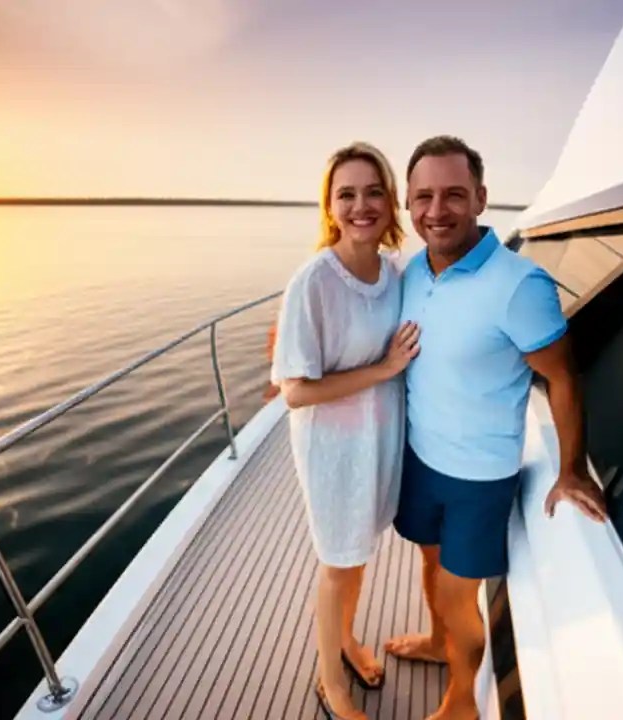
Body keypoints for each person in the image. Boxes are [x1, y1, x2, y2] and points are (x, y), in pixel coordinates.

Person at [383, 135, 607, 720]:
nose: (438, 211)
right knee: (428, 565)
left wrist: (571, 470)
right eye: (424, 197)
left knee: (461, 599)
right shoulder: (412, 273)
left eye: (454, 195)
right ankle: (437, 646)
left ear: (481, 198)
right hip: (420, 459)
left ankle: (462, 702)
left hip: (479, 477)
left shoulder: (519, 285)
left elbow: (564, 378)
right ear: (409, 203)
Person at [270, 141, 420, 720]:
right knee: (337, 564)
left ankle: (349, 642)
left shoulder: (393, 274)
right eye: (347, 195)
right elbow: (295, 391)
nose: (362, 205)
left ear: (390, 202)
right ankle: (329, 681)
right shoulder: (314, 282)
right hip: (333, 448)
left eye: (373, 191)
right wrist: (382, 368)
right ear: (329, 207)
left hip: (377, 443)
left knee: (358, 555)